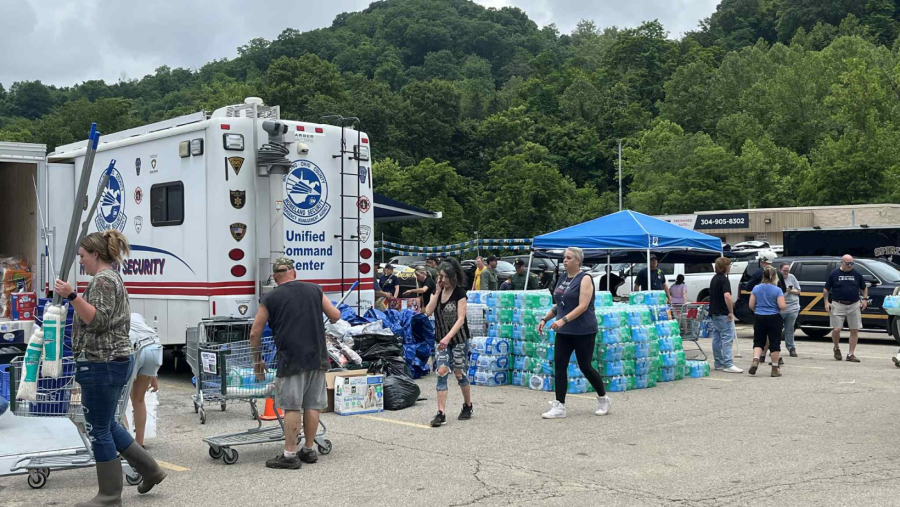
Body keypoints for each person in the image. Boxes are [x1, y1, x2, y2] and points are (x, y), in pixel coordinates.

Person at [53, 230, 166, 506]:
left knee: (98, 429)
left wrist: (71, 296)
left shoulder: (103, 280)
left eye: (82, 256)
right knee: (108, 424)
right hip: (109, 361)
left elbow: (97, 319)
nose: (80, 262)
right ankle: (150, 470)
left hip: (101, 362)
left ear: (95, 254)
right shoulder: (110, 278)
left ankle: (109, 495)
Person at [250, 257, 341, 469]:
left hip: (291, 359)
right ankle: (309, 450)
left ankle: (290, 455)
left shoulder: (270, 298)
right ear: (294, 273)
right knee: (312, 404)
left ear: (274, 277)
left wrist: (257, 361)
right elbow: (335, 315)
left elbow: (255, 332)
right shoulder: (314, 290)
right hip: (318, 356)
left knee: (292, 407)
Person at [537, 247, 610, 419]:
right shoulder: (562, 277)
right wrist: (544, 319)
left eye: (569, 258)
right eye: (564, 258)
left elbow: (583, 306)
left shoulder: (585, 279)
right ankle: (559, 405)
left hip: (583, 330)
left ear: (578, 261)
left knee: (585, 366)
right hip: (564, 331)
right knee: (560, 365)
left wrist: (563, 320)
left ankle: (603, 398)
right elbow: (560, 305)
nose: (565, 260)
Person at [423, 258, 473, 427]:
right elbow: (428, 312)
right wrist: (436, 292)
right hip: (441, 340)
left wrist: (448, 337)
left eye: (445, 277)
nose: (442, 279)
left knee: (459, 374)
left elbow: (461, 319)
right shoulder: (438, 292)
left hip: (458, 340)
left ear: (452, 277)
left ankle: (468, 405)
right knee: (442, 371)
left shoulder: (460, 293)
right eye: (440, 276)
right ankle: (441, 413)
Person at [823, 255, 867, 363]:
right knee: (836, 329)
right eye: (848, 263)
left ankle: (851, 354)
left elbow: (864, 287)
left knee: (854, 329)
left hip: (854, 304)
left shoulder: (856, 274)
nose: (850, 265)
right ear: (842, 263)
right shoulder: (834, 274)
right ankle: (836, 347)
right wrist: (826, 302)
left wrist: (865, 299)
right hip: (838, 304)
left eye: (852, 263)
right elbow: (826, 289)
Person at [745, 250, 786, 364]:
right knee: (774, 339)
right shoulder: (779, 275)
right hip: (774, 313)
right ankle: (775, 363)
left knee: (759, 338)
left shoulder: (757, 276)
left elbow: (748, 288)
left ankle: (759, 357)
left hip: (759, 312)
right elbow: (783, 293)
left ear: (762, 261)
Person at [128, 313, 163, 448]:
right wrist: (153, 377)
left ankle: (125, 444)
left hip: (135, 348)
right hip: (154, 348)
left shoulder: (114, 315)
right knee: (139, 400)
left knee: (119, 403)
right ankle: (139, 443)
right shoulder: (137, 316)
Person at [708, 257, 742, 373]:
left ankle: (719, 362)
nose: (730, 267)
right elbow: (727, 296)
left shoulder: (714, 279)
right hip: (723, 312)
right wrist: (731, 312)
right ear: (725, 267)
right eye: (729, 265)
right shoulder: (724, 280)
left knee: (717, 338)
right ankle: (728, 363)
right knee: (727, 338)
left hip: (714, 312)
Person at [780, 263, 801, 358]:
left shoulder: (792, 277)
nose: (786, 272)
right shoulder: (777, 279)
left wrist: (790, 291)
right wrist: (785, 291)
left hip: (793, 307)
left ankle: (791, 348)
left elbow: (799, 290)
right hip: (780, 308)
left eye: (788, 270)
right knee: (776, 329)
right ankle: (774, 348)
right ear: (780, 270)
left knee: (790, 328)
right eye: (784, 270)